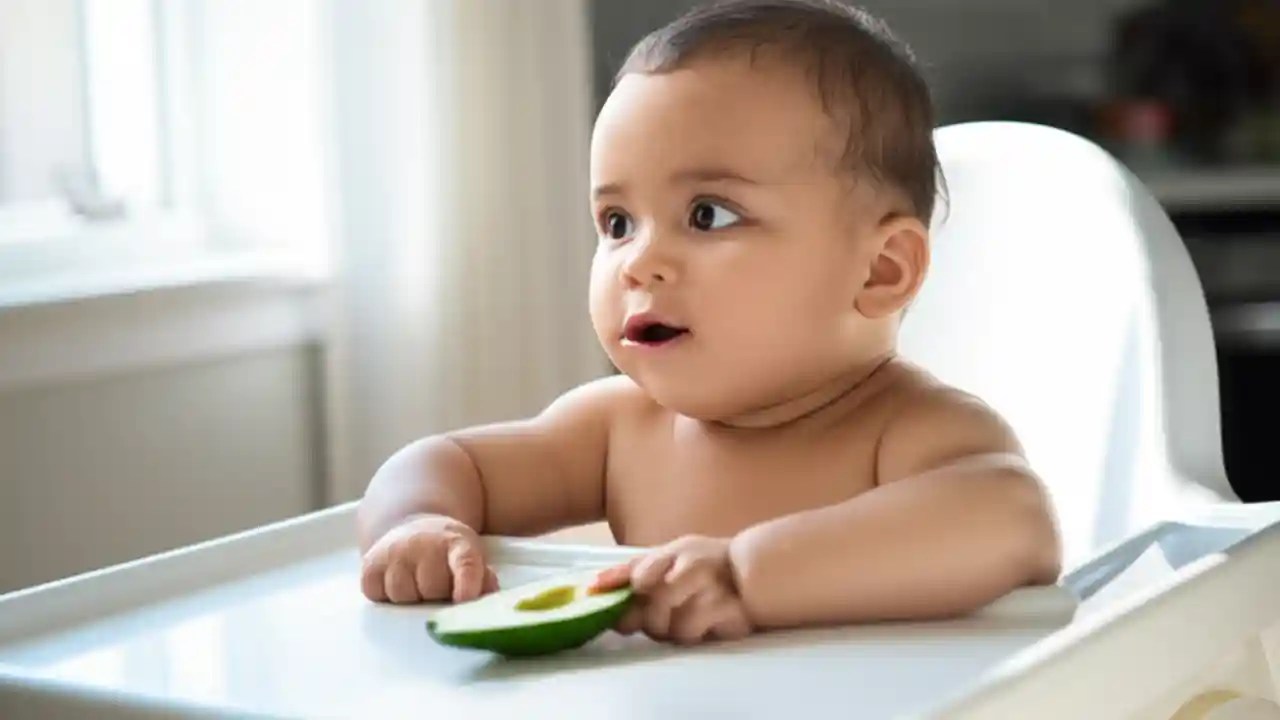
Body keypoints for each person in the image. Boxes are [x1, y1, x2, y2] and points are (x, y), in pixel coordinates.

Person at [356, 0, 1062, 646]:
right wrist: (417, 524)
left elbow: (1012, 518)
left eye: (707, 215)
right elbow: (442, 462)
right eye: (618, 223)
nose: (639, 262)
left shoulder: (909, 432)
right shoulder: (616, 432)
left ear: (880, 271)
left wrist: (748, 576)